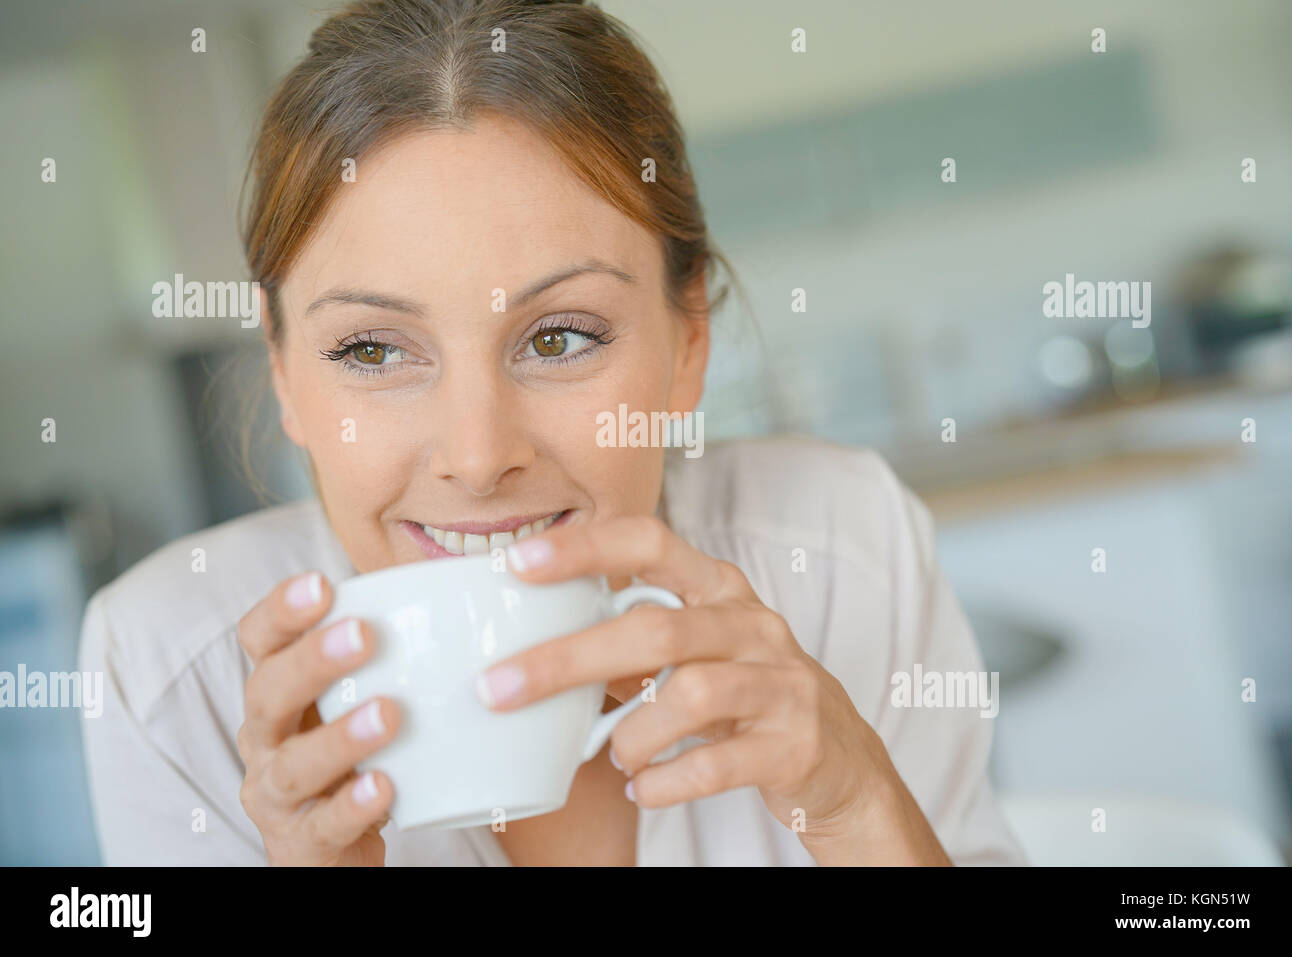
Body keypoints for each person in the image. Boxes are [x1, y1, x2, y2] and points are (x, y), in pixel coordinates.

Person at [79, 0, 1026, 866]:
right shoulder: (170, 676)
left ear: (689, 340)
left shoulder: (844, 550)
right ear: (284, 369)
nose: (480, 456)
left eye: (560, 336)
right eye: (372, 350)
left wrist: (858, 806)